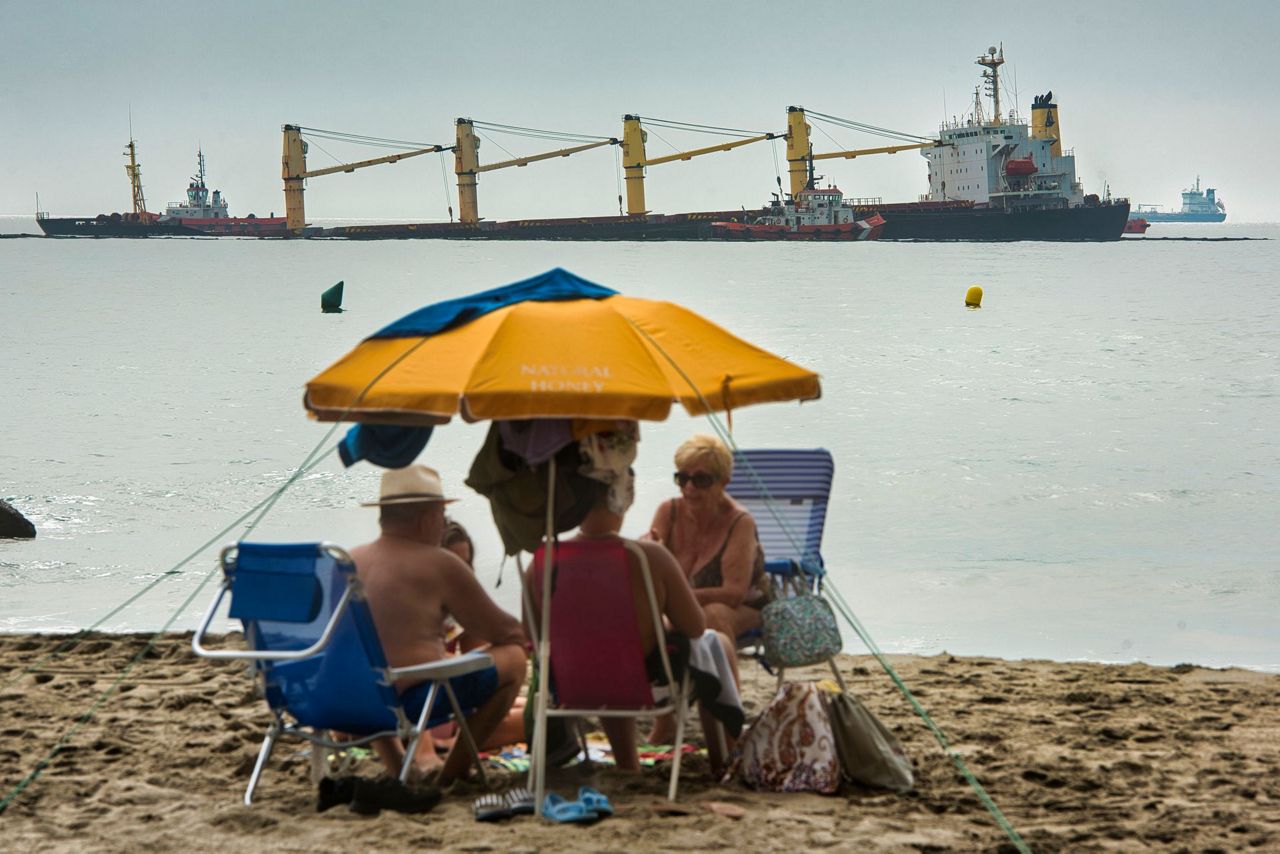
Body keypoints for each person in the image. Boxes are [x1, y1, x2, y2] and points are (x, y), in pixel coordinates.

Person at [526, 477, 739, 774]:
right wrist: (656, 621)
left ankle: (627, 763)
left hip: (570, 686)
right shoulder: (648, 556)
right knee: (719, 644)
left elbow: (532, 637)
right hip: (639, 685)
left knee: (604, 653)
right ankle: (723, 762)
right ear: (623, 500)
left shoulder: (541, 560)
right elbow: (694, 626)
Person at [351, 465, 527, 784]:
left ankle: (398, 768)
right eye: (442, 516)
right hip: (412, 704)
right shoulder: (437, 562)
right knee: (514, 658)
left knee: (370, 669)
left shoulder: (348, 561)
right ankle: (453, 773)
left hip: (350, 700)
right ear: (428, 517)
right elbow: (504, 630)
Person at [645, 434, 770, 640]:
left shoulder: (740, 522)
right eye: (682, 478)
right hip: (683, 606)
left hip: (744, 609)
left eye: (701, 480)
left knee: (713, 614)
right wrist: (648, 547)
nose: (689, 487)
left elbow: (733, 594)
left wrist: (676, 601)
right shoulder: (669, 511)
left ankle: (721, 672)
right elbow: (649, 562)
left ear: (724, 482)